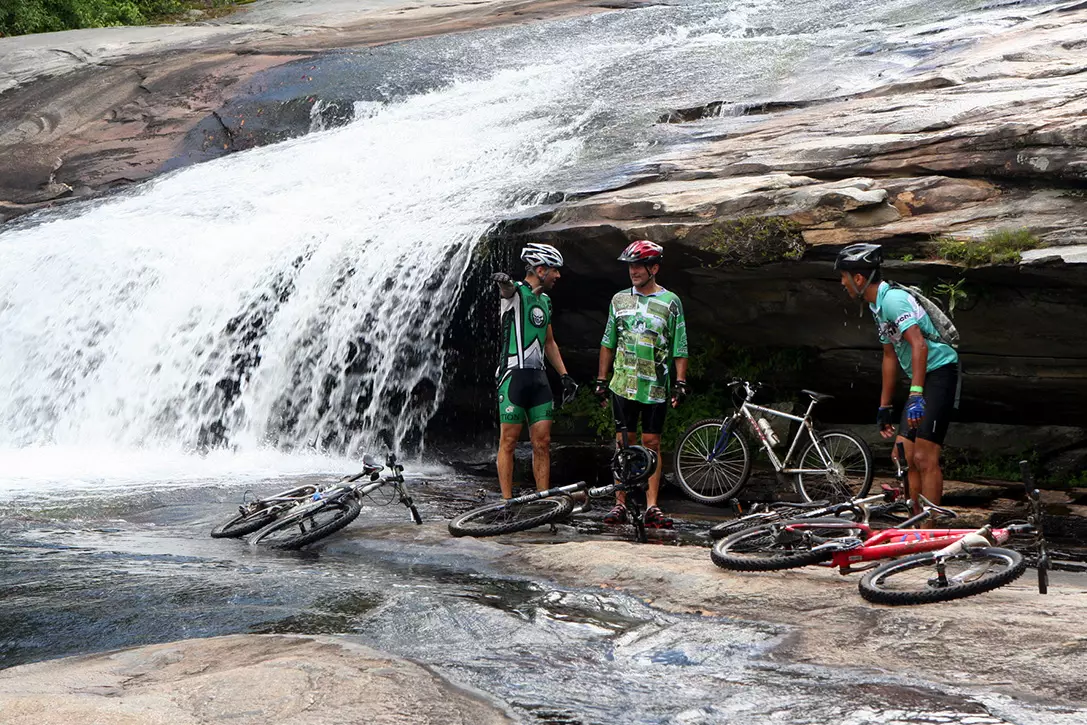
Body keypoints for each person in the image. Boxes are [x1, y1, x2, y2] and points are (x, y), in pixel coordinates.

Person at [836, 243, 960, 522]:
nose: (841, 283)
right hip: (923, 378)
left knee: (925, 457)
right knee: (902, 454)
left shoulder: (892, 300)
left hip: (940, 371)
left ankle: (929, 529)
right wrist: (885, 406)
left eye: (844, 276)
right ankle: (914, 520)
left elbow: (919, 346)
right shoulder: (875, 306)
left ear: (858, 278)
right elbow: (889, 355)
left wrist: (916, 395)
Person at [593, 240, 689, 529]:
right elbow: (608, 343)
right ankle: (620, 503)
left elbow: (679, 344)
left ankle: (651, 506)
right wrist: (601, 379)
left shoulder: (671, 302)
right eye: (630, 266)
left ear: (654, 268)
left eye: (638, 265)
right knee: (624, 443)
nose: (632, 271)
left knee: (652, 443)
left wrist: (681, 382)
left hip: (656, 385)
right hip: (623, 383)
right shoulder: (618, 300)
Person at [494, 243, 578, 500]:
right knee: (508, 441)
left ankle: (543, 499)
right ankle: (506, 502)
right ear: (541, 270)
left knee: (542, 442)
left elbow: (550, 342)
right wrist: (504, 282)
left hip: (539, 379)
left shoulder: (546, 301)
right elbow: (506, 290)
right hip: (513, 377)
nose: (558, 276)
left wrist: (564, 375)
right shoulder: (516, 294)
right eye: (555, 270)